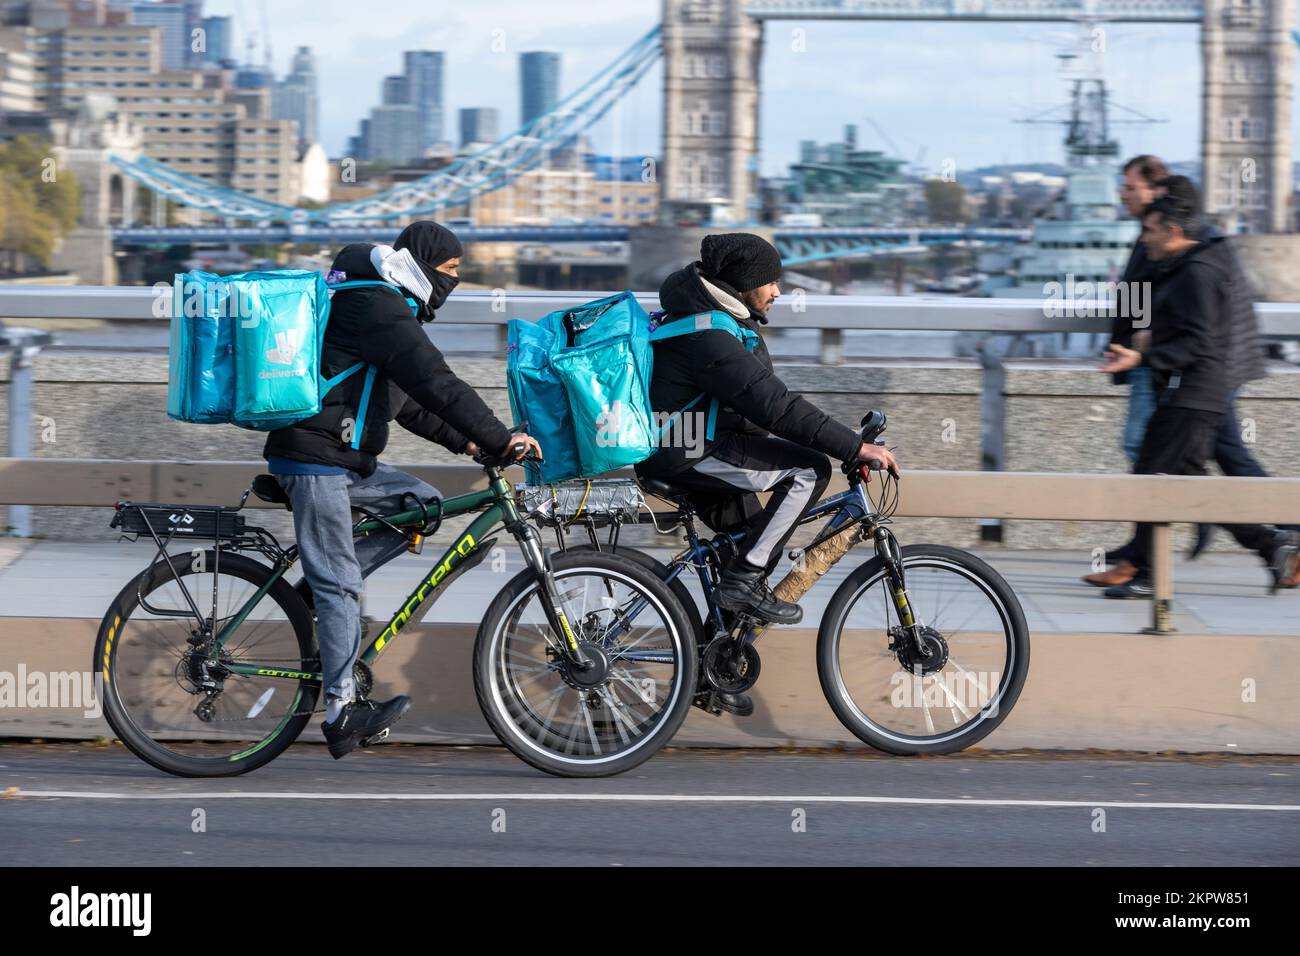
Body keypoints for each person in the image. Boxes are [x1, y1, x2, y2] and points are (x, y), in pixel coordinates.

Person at [263, 221, 540, 759]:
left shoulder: (384, 304)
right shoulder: (376, 304)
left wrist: (471, 446)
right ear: (422, 262)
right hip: (313, 457)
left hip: (343, 458)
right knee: (341, 583)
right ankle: (342, 713)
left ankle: (319, 593)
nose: (455, 281)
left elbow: (409, 402)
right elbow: (435, 380)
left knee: (421, 506)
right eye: (452, 270)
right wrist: (499, 436)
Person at [635, 233, 898, 630]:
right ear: (743, 284)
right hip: (684, 451)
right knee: (809, 471)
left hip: (694, 444)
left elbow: (762, 406)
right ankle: (740, 584)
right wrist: (852, 447)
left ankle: (713, 674)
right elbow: (776, 407)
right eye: (770, 281)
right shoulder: (707, 336)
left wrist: (845, 442)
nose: (778, 291)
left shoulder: (708, 318)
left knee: (754, 547)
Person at [1099, 195, 1299, 597]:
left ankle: (1146, 574)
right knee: (1191, 488)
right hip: (1186, 393)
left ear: (1174, 231)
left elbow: (1200, 340)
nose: (1144, 238)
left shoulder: (1198, 271)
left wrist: (1143, 354)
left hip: (1192, 396)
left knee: (1151, 482)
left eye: (1150, 230)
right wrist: (1150, 338)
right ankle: (1272, 545)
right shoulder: (1185, 267)